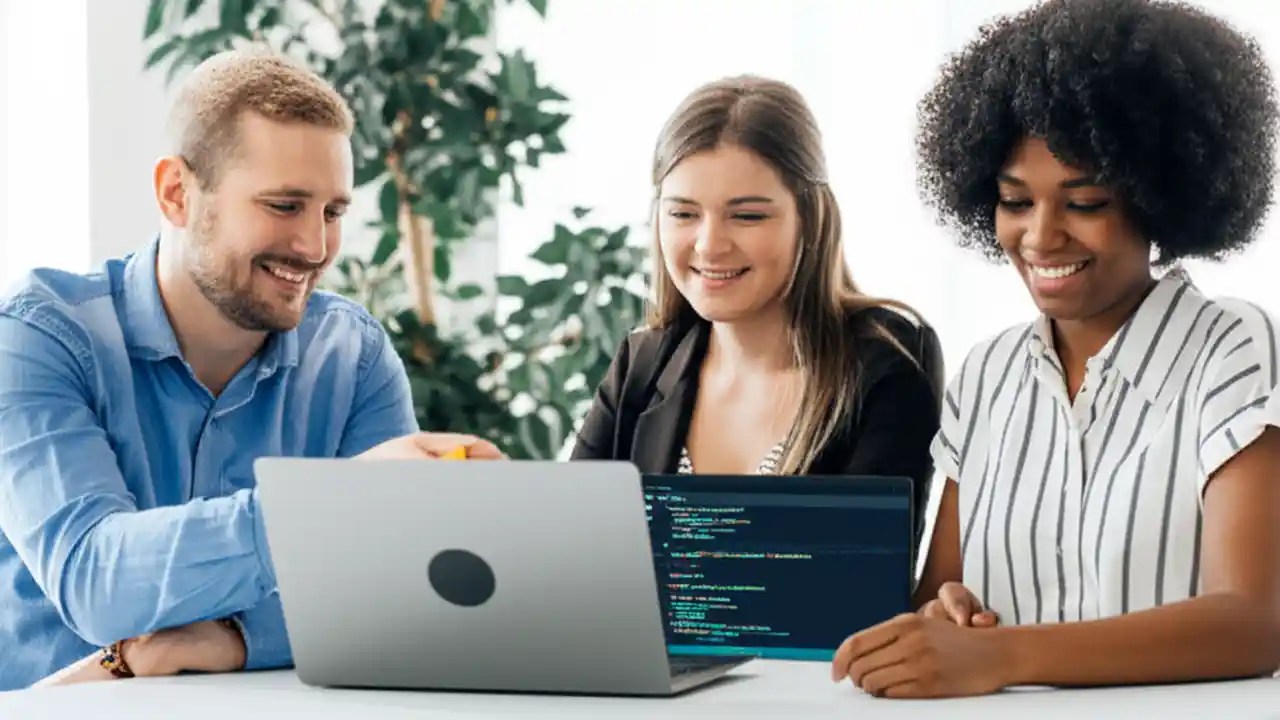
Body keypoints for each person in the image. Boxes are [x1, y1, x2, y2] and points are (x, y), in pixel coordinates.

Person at [0, 48, 501, 690]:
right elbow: (95, 579)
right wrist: (336, 504)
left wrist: (236, 640)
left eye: (333, 212)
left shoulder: (353, 354)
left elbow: (397, 597)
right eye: (284, 205)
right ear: (177, 193)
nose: (315, 247)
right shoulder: (39, 336)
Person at [831, 0, 1280, 698]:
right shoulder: (986, 374)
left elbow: (1254, 623)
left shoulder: (1231, 349)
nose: (1041, 237)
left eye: (1085, 203)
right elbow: (937, 594)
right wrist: (945, 616)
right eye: (1015, 202)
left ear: (1158, 201)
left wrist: (1003, 656)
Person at [571, 75, 945, 544]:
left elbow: (860, 573)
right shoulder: (641, 367)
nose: (709, 245)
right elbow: (574, 548)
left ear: (811, 219)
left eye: (747, 215)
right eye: (683, 214)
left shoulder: (886, 364)